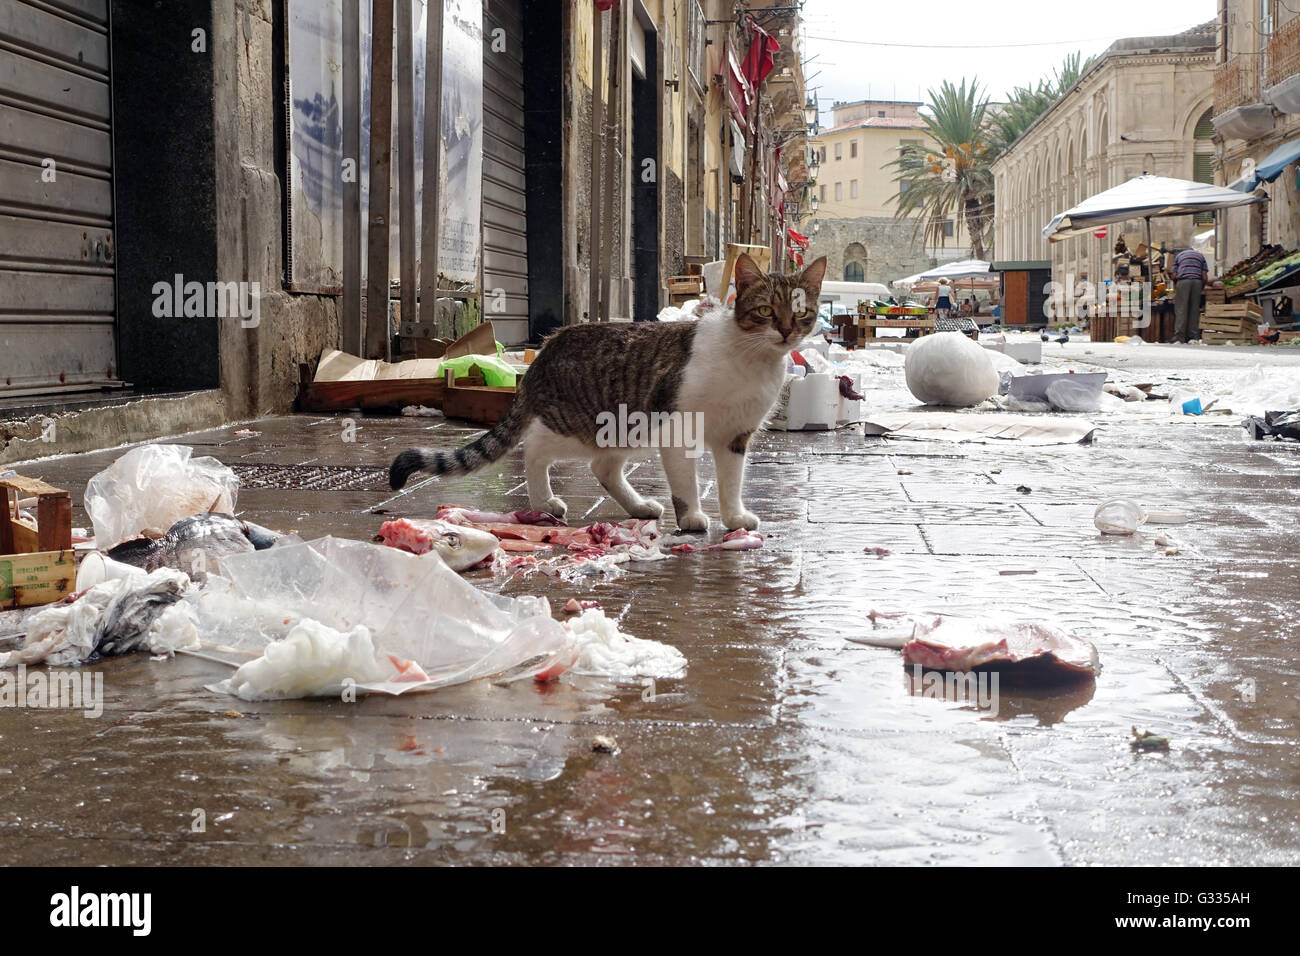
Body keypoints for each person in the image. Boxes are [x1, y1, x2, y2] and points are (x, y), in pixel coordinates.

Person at [1171, 245, 1209, 343]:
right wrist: (1201, 287)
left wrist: (1177, 285)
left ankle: (1179, 337)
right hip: (1197, 282)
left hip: (1183, 281)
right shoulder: (1200, 256)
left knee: (1181, 309)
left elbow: (1174, 275)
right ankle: (1193, 336)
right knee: (1194, 309)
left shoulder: (1179, 256)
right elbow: (1204, 277)